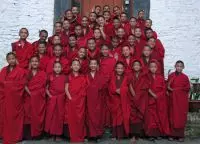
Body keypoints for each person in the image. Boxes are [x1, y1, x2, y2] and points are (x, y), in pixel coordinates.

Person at [0, 52, 26, 143]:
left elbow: (21, 84)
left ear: (16, 59)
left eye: (13, 58)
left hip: (15, 100)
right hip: (5, 98)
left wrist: (8, 85)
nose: (11, 60)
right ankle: (3, 134)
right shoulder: (3, 70)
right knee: (3, 116)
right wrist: (9, 85)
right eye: (9, 59)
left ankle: (15, 136)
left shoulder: (21, 71)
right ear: (7, 60)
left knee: (14, 118)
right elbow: (1, 83)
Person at [145, 60, 169, 141]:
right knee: (151, 118)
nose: (153, 68)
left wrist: (158, 96)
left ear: (157, 68)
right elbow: (146, 87)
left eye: (155, 67)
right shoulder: (147, 76)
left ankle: (158, 134)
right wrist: (153, 95)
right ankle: (151, 134)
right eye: (151, 67)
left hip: (159, 99)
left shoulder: (160, 77)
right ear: (149, 68)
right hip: (150, 99)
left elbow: (163, 88)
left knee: (159, 117)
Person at [65, 59, 88, 142]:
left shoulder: (82, 77)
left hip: (80, 101)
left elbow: (84, 89)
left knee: (80, 119)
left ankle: (80, 137)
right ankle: (73, 137)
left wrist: (80, 99)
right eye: (74, 64)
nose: (76, 66)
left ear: (80, 66)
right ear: (71, 66)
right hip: (71, 101)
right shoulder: (68, 76)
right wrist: (70, 98)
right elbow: (66, 89)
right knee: (72, 120)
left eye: (77, 65)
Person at [24, 56, 47, 139]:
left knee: (38, 115)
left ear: (39, 63)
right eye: (33, 61)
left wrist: (36, 94)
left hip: (39, 99)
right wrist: (31, 93)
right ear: (30, 63)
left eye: (36, 61)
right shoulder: (27, 73)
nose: (34, 63)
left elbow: (43, 86)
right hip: (29, 97)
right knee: (28, 114)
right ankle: (30, 134)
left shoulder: (43, 73)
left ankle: (38, 134)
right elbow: (24, 85)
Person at [167, 61, 190, 142]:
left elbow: (187, 88)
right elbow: (167, 87)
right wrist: (171, 90)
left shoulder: (185, 77)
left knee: (180, 117)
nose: (179, 68)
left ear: (183, 67)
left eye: (181, 66)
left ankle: (180, 135)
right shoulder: (171, 76)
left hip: (181, 101)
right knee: (172, 116)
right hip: (172, 100)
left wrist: (176, 90)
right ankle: (172, 135)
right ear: (175, 66)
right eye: (177, 66)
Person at [108, 62, 130, 139]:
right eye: (118, 68)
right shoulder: (112, 77)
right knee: (114, 118)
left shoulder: (126, 78)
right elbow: (109, 88)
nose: (119, 70)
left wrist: (122, 90)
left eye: (121, 68)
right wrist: (115, 90)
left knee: (122, 118)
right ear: (115, 69)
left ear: (124, 69)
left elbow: (128, 88)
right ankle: (114, 134)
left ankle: (121, 135)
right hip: (114, 100)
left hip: (123, 101)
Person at [45, 62, 66, 141]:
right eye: (56, 67)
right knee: (51, 116)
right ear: (53, 68)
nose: (57, 69)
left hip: (61, 99)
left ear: (62, 68)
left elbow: (66, 88)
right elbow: (46, 88)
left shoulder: (64, 77)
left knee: (59, 117)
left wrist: (61, 96)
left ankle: (58, 135)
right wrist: (50, 96)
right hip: (52, 99)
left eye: (59, 67)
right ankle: (51, 134)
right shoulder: (50, 77)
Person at [129, 60, 149, 142]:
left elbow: (145, 87)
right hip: (132, 98)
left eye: (138, 65)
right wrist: (134, 94)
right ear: (132, 67)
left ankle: (139, 135)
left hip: (141, 99)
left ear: (141, 67)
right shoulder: (130, 75)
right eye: (135, 65)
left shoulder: (144, 76)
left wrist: (138, 96)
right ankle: (133, 135)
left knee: (140, 116)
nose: (136, 66)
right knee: (133, 116)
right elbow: (129, 84)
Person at [86, 59, 105, 141]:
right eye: (91, 64)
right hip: (88, 99)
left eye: (95, 64)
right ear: (89, 65)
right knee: (89, 117)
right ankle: (90, 135)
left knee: (98, 117)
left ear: (97, 65)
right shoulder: (86, 76)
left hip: (98, 100)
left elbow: (102, 87)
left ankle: (97, 135)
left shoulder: (101, 75)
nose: (93, 65)